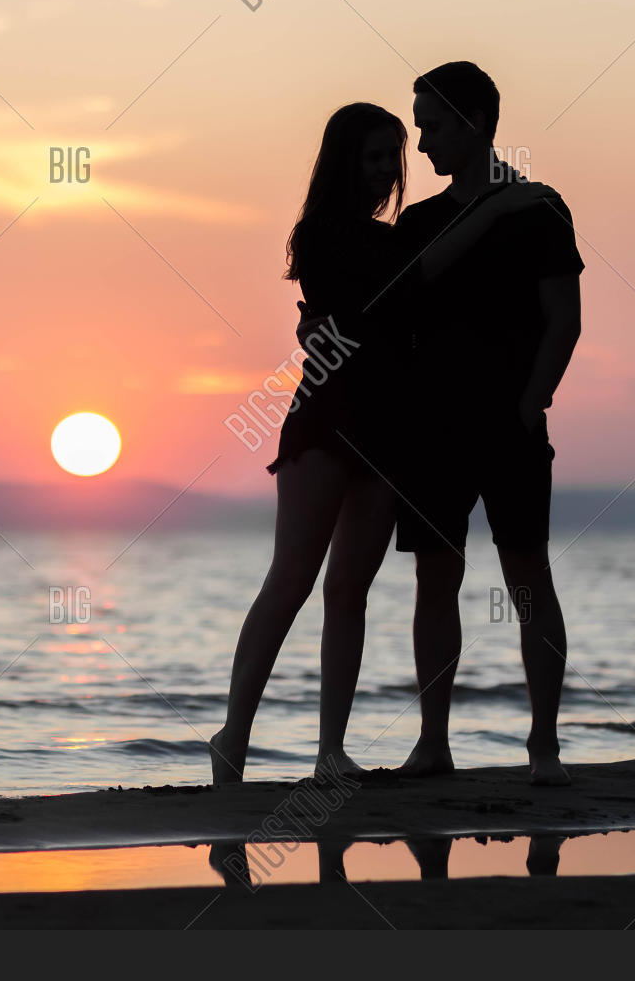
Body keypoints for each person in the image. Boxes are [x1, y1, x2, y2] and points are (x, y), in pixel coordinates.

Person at [209, 101, 557, 785]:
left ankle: (329, 751)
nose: (384, 172)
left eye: (391, 160)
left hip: (387, 430)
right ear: (344, 161)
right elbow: (393, 292)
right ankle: (232, 737)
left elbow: (416, 304)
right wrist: (491, 208)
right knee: (291, 581)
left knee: (350, 592)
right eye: (371, 158)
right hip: (325, 421)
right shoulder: (320, 235)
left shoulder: (393, 237)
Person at [386, 62, 584, 787]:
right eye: (418, 125)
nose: (423, 140)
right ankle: (433, 745)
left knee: (528, 577)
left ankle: (544, 747)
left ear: (475, 123)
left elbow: (565, 320)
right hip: (432, 428)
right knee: (434, 582)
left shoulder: (540, 209)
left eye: (433, 126)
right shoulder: (422, 222)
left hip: (509, 426)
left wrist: (531, 402)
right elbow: (408, 298)